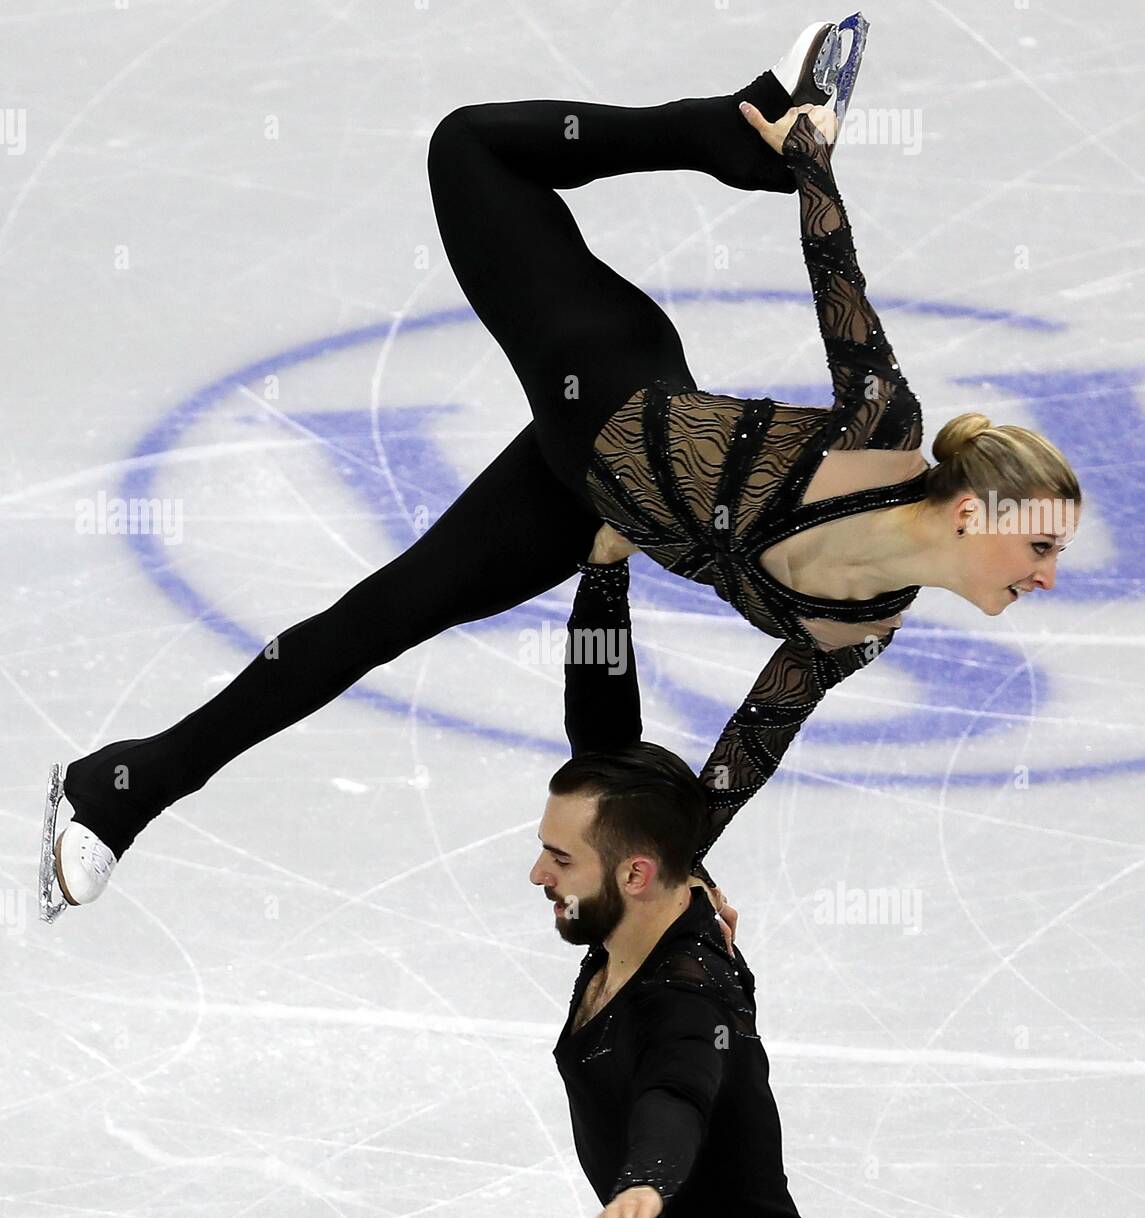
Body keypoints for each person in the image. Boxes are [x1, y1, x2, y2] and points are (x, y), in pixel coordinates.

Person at [43, 13, 1080, 916]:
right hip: (605, 372)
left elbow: (729, 771)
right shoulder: (880, 438)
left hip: (577, 499)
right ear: (966, 512)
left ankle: (122, 785)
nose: (1043, 575)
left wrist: (673, 884)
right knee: (469, 149)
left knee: (370, 623)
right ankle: (722, 129)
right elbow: (832, 271)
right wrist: (803, 155)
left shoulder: (857, 630)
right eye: (1036, 544)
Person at [536, 557, 847, 1218]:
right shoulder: (657, 883)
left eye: (558, 858)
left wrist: (643, 1186)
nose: (538, 875)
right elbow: (600, 728)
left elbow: (677, 1089)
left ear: (634, 875)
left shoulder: (686, 992)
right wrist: (603, 572)